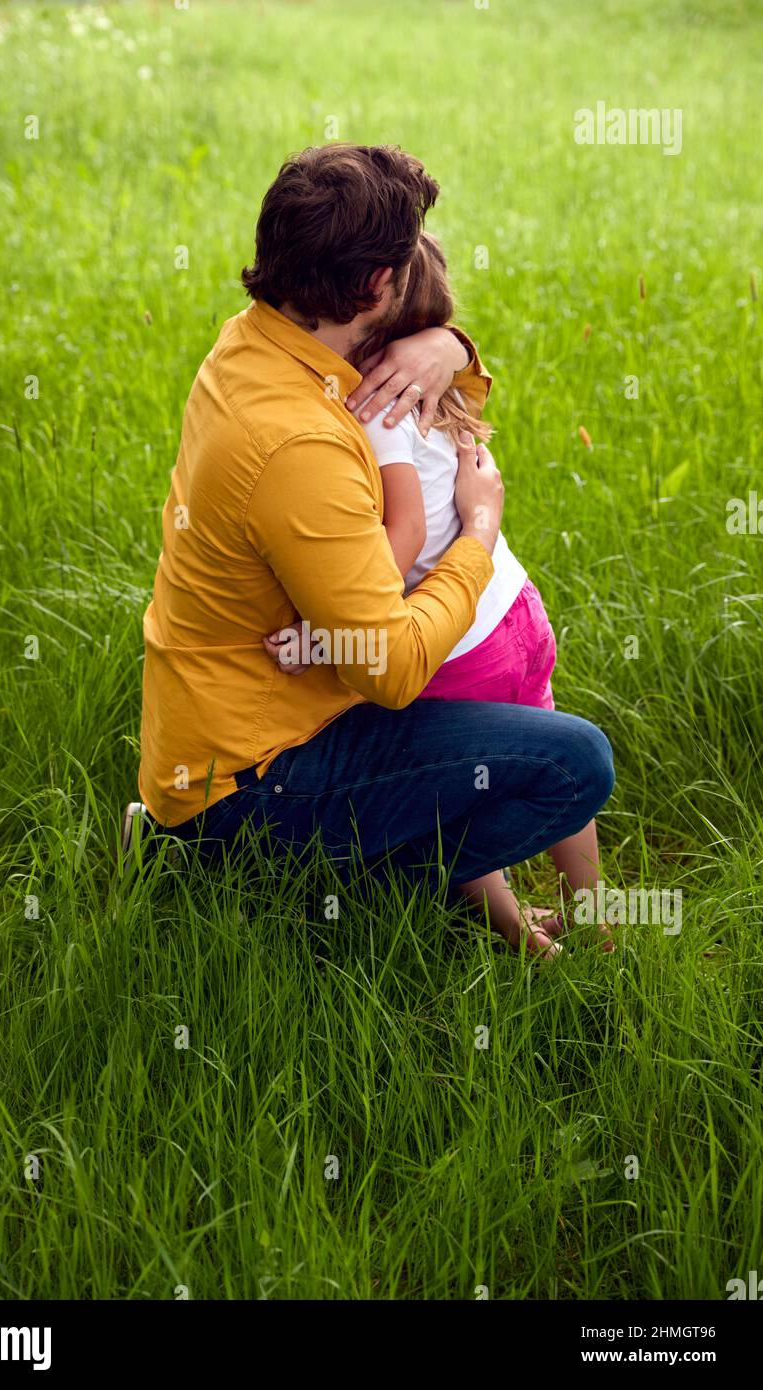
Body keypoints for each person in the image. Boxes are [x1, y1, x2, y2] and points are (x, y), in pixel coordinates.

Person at [128, 143, 614, 956]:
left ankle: (202, 852)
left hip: (223, 727)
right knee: (574, 763)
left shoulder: (254, 342)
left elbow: (415, 383)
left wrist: (452, 347)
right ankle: (252, 870)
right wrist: (482, 527)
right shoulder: (302, 446)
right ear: (378, 289)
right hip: (255, 775)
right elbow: (391, 671)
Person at [266, 232, 611, 957]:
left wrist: (318, 634)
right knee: (547, 735)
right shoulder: (440, 384)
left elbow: (405, 535)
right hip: (515, 610)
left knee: (466, 788)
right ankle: (594, 915)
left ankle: (522, 938)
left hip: (462, 645)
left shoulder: (374, 411)